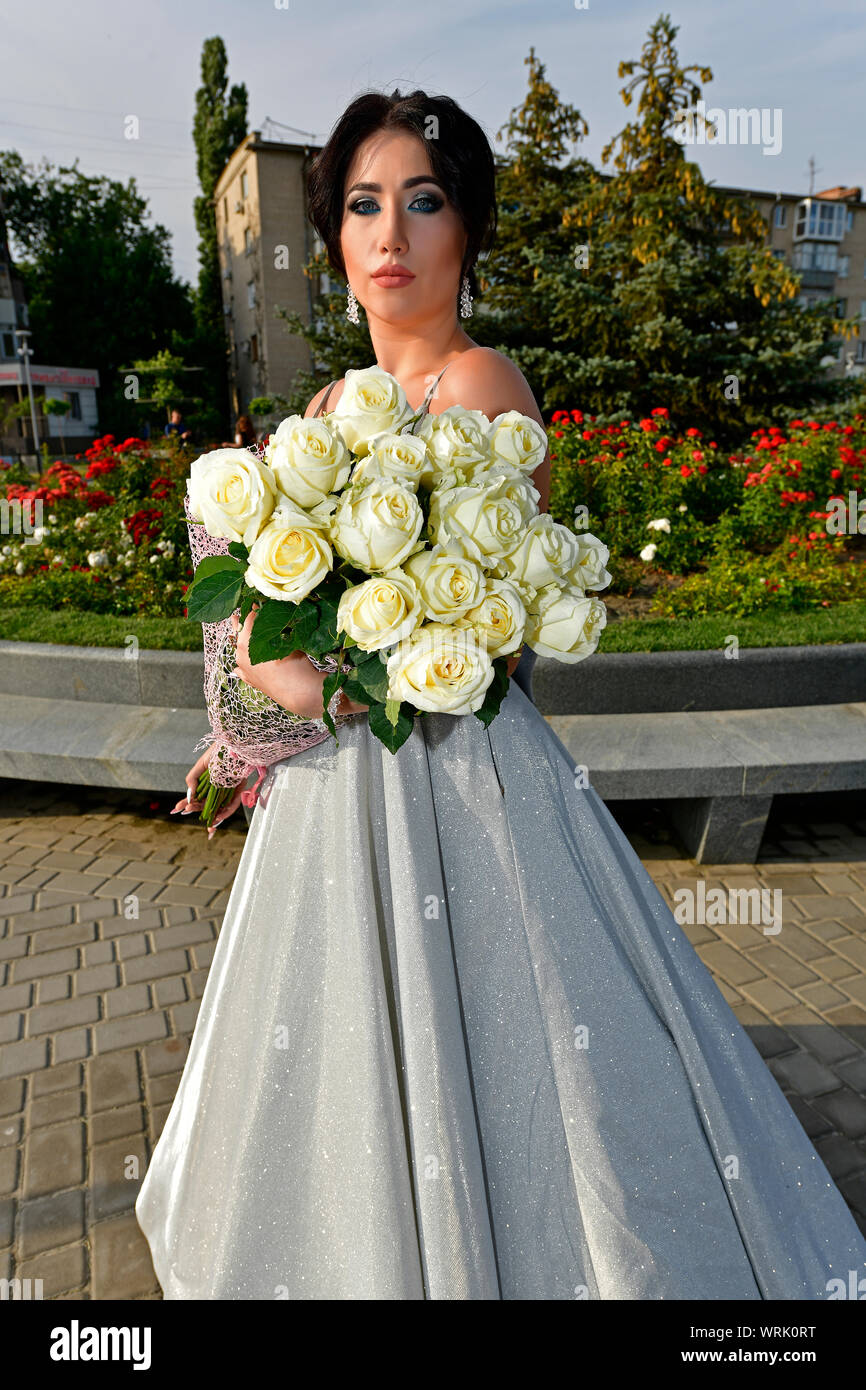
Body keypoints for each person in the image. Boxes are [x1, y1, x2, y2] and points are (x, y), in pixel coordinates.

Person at [135, 88, 866, 1300]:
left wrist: (350, 674)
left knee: (523, 1055)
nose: (389, 236)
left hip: (462, 778)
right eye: (363, 206)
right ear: (331, 237)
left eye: (422, 202)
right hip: (331, 787)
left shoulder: (485, 389)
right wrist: (288, 696)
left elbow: (497, 645)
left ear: (464, 228)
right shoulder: (316, 416)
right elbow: (264, 618)